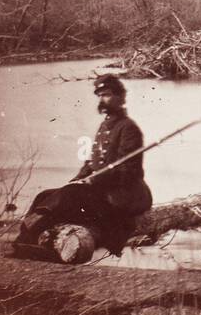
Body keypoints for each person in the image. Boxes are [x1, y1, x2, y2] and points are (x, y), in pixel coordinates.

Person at [13, 75, 153, 257]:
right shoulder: (105, 126)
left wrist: (94, 180)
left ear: (121, 97)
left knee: (69, 195)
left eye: (107, 95)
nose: (103, 99)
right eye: (100, 95)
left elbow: (129, 172)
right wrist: (76, 180)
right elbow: (92, 162)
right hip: (101, 190)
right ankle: (29, 239)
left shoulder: (129, 129)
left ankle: (32, 237)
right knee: (46, 195)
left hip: (120, 196)